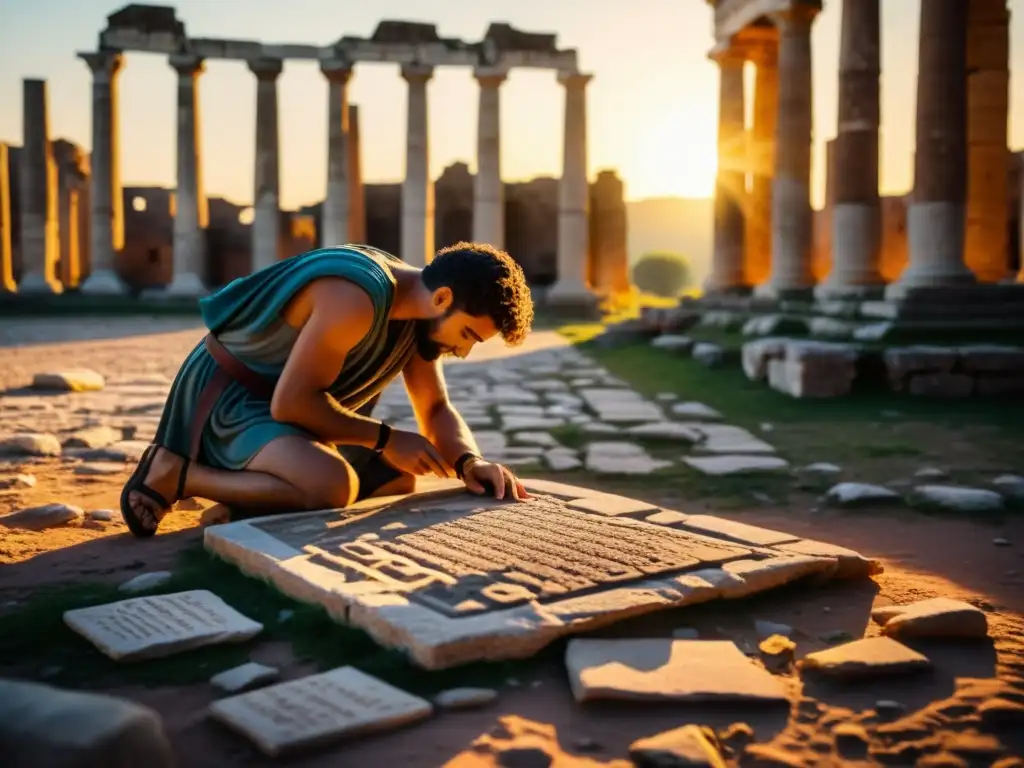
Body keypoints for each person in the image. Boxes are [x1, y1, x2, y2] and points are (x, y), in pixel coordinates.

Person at [120, 241, 534, 538]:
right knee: (332, 484)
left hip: (284, 416)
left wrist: (468, 462)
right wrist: (386, 438)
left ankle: (251, 501)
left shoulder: (417, 310)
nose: (462, 351)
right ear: (443, 298)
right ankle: (176, 474)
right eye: (467, 334)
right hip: (232, 401)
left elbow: (435, 406)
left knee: (396, 478)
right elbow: (291, 403)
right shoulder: (356, 297)